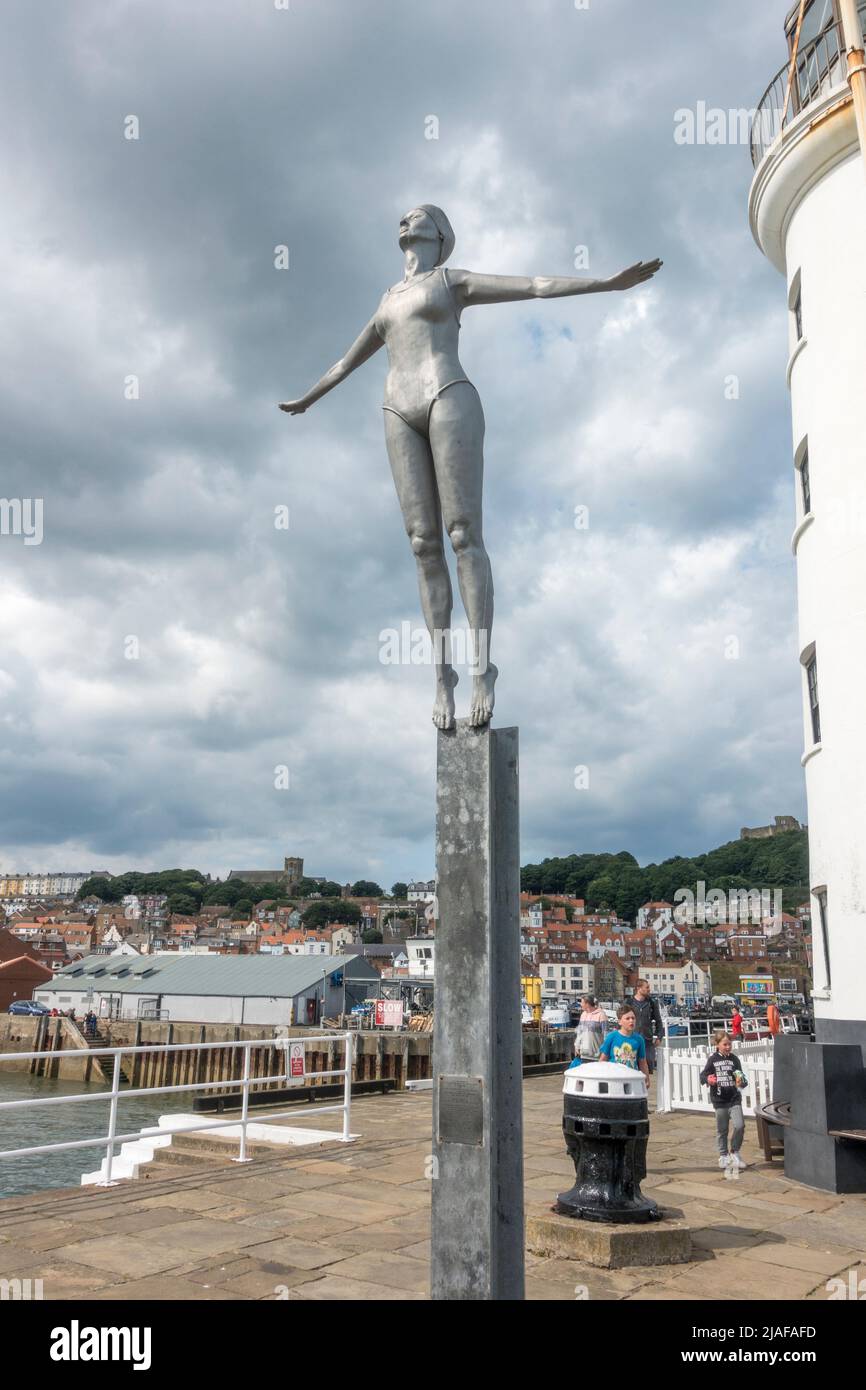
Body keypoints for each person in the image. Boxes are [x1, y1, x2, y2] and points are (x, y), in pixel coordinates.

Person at [280, 205, 661, 729]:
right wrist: (306, 400)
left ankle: (482, 667)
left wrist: (605, 284)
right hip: (396, 408)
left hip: (448, 395)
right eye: (402, 216)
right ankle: (442, 676)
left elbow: (531, 285)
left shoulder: (450, 282)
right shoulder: (386, 301)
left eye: (417, 216)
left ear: (438, 234)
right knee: (422, 544)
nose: (404, 220)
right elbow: (346, 362)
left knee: (462, 535)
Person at [699, 1030, 748, 1170]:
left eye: (729, 1044)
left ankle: (735, 1152)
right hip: (719, 1100)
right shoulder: (713, 1059)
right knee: (722, 1130)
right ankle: (723, 1155)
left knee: (740, 1125)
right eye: (725, 1044)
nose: (728, 1047)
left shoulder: (734, 1059)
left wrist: (741, 1081)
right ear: (717, 1044)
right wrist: (708, 1079)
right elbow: (703, 1075)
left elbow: (741, 1078)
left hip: (734, 1098)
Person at [599, 1004, 650, 1079]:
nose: (631, 1021)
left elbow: (642, 1062)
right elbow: (603, 1059)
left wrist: (647, 1078)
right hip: (614, 1078)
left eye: (633, 1018)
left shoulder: (639, 1039)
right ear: (620, 1022)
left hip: (632, 1078)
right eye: (627, 1018)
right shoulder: (611, 1037)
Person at [628, 979, 664, 1074]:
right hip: (631, 1040)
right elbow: (621, 1020)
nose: (649, 989)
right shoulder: (629, 1003)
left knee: (646, 1072)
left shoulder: (651, 1003)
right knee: (630, 1070)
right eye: (647, 987)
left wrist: (659, 1037)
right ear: (639, 988)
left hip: (647, 1042)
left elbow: (659, 1021)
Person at [575, 995, 608, 1062]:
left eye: (582, 1003)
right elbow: (579, 1032)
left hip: (597, 1056)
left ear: (587, 1004)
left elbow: (606, 1035)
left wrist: (604, 1053)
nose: (580, 1005)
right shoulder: (583, 1015)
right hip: (584, 1054)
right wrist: (576, 1045)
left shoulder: (601, 1015)